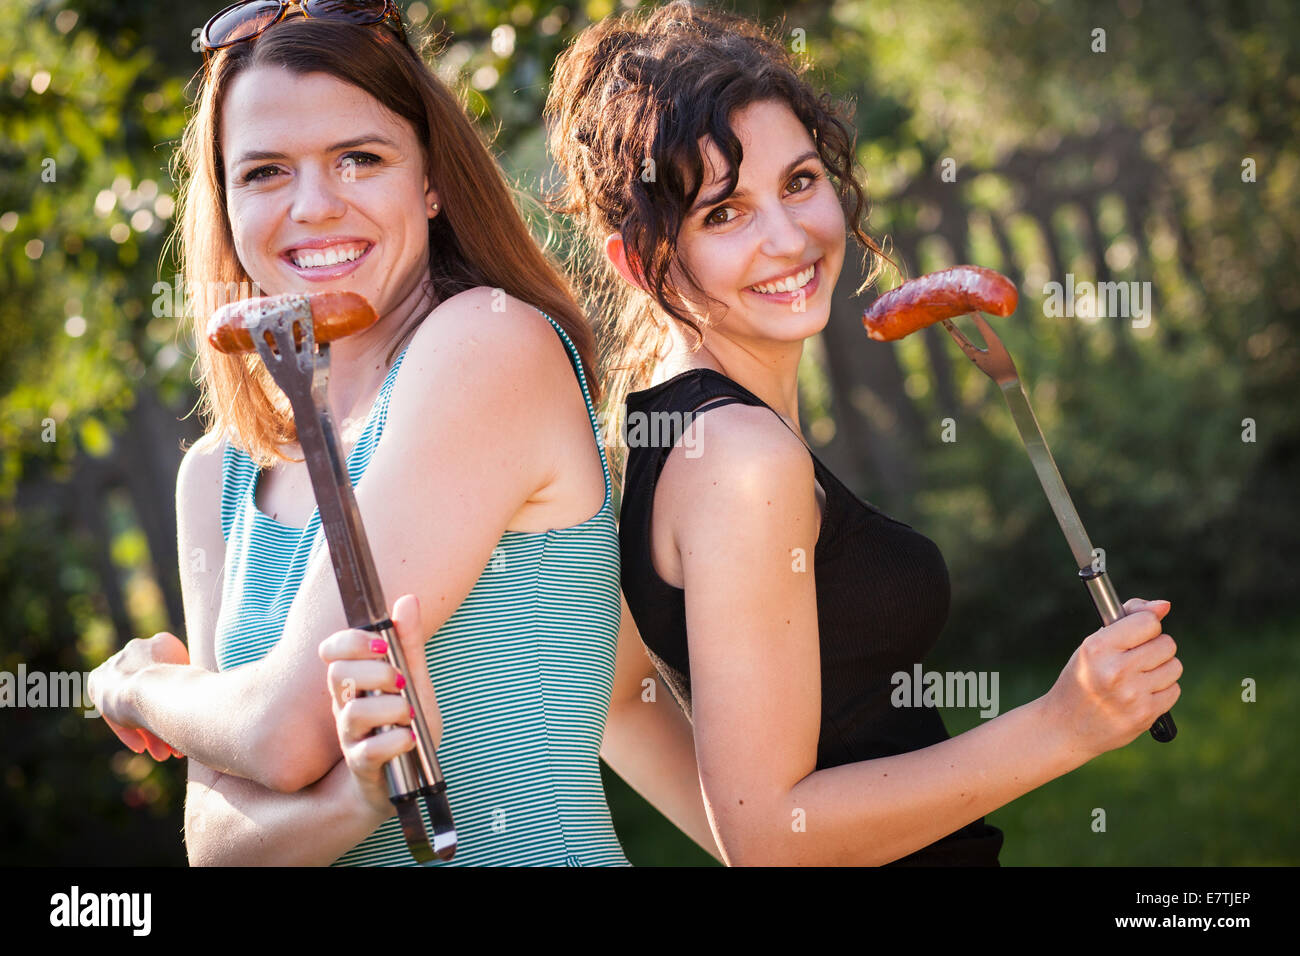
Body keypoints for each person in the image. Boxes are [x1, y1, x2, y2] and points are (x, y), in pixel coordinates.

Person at [544, 0, 1183, 866]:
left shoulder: (664, 421)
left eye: (800, 183)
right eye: (724, 213)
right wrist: (1065, 726)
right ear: (640, 259)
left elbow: (618, 703)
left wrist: (750, 839)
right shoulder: (743, 460)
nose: (788, 237)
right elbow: (772, 832)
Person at [87, 0, 718, 866]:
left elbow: (278, 735)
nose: (314, 206)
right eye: (264, 172)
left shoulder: (487, 343)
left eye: (360, 158)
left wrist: (143, 686)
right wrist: (356, 801)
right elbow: (217, 846)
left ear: (430, 180)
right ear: (225, 202)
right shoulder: (215, 476)